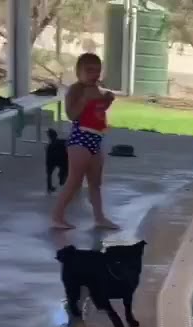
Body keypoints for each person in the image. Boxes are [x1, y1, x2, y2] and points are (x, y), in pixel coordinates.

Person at [51, 53, 119, 231]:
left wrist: (107, 100)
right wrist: (83, 99)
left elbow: (98, 110)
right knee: (74, 181)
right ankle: (57, 216)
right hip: (80, 139)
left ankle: (99, 217)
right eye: (89, 71)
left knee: (95, 182)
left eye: (97, 71)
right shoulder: (75, 89)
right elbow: (72, 114)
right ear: (78, 72)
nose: (94, 75)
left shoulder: (96, 89)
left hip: (96, 138)